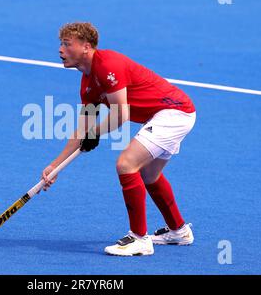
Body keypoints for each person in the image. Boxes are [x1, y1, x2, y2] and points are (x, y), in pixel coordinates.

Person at [41, 22, 196, 256]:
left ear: (86, 47)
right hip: (164, 116)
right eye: (61, 44)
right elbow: (81, 131)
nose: (60, 50)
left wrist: (95, 134)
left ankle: (139, 239)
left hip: (174, 112)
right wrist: (55, 166)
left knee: (126, 164)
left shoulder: (107, 66)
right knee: (149, 175)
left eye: (66, 44)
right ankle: (178, 230)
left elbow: (121, 114)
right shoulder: (87, 85)